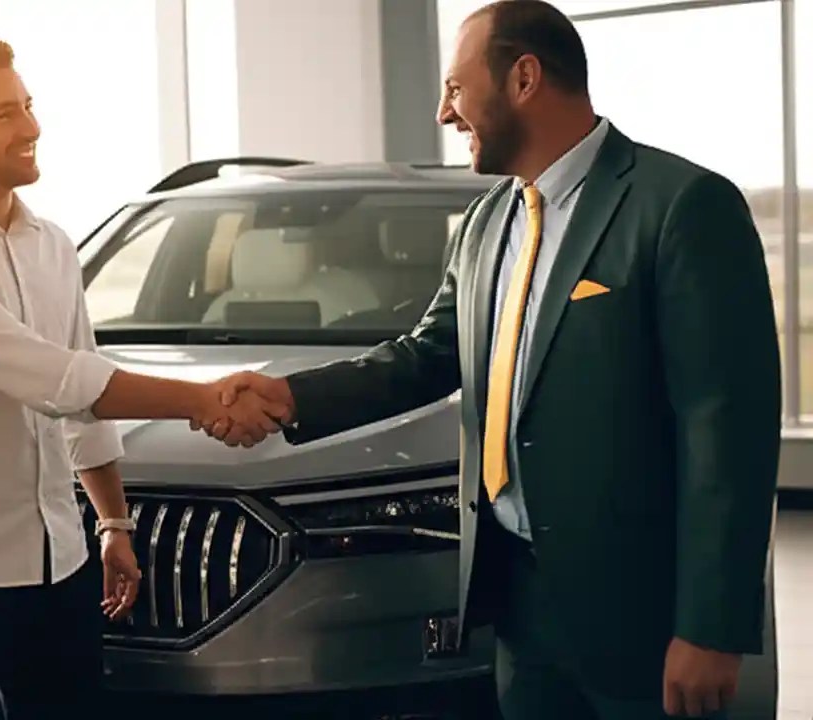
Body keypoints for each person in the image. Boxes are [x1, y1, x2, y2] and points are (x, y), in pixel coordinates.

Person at [198, 2, 781, 718]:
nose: (445, 113)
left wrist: (711, 627)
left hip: (644, 616)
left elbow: (727, 433)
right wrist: (289, 397)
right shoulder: (487, 221)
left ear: (523, 79)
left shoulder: (682, 207)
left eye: (455, 88)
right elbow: (427, 355)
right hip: (521, 607)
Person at [0, 37, 282, 719]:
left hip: (58, 560)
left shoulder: (52, 243)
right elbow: (54, 378)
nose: (31, 126)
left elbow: (81, 398)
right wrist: (202, 399)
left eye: (27, 106)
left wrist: (112, 522)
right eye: (4, 114)